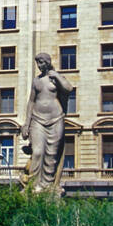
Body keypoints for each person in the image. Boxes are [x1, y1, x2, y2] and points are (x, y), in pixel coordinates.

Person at [21, 51, 74, 194]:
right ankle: (33, 185)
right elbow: (31, 101)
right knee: (37, 152)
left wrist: (56, 75)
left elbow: (69, 89)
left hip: (55, 119)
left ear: (48, 62)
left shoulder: (56, 78)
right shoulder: (36, 81)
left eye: (42, 62)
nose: (39, 66)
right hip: (37, 119)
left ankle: (48, 186)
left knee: (52, 154)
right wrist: (26, 123)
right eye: (37, 63)